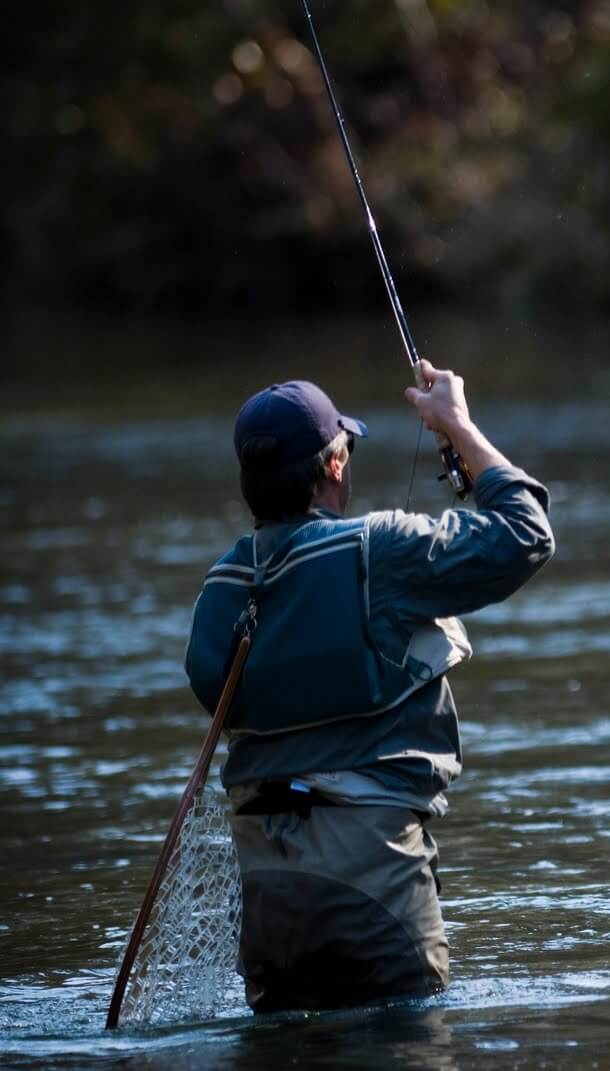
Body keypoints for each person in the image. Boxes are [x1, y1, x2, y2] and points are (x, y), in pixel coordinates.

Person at [184, 359, 553, 1013]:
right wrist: (460, 429)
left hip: (271, 906)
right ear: (333, 465)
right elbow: (526, 535)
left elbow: (216, 682)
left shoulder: (221, 590)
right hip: (374, 897)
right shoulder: (379, 550)